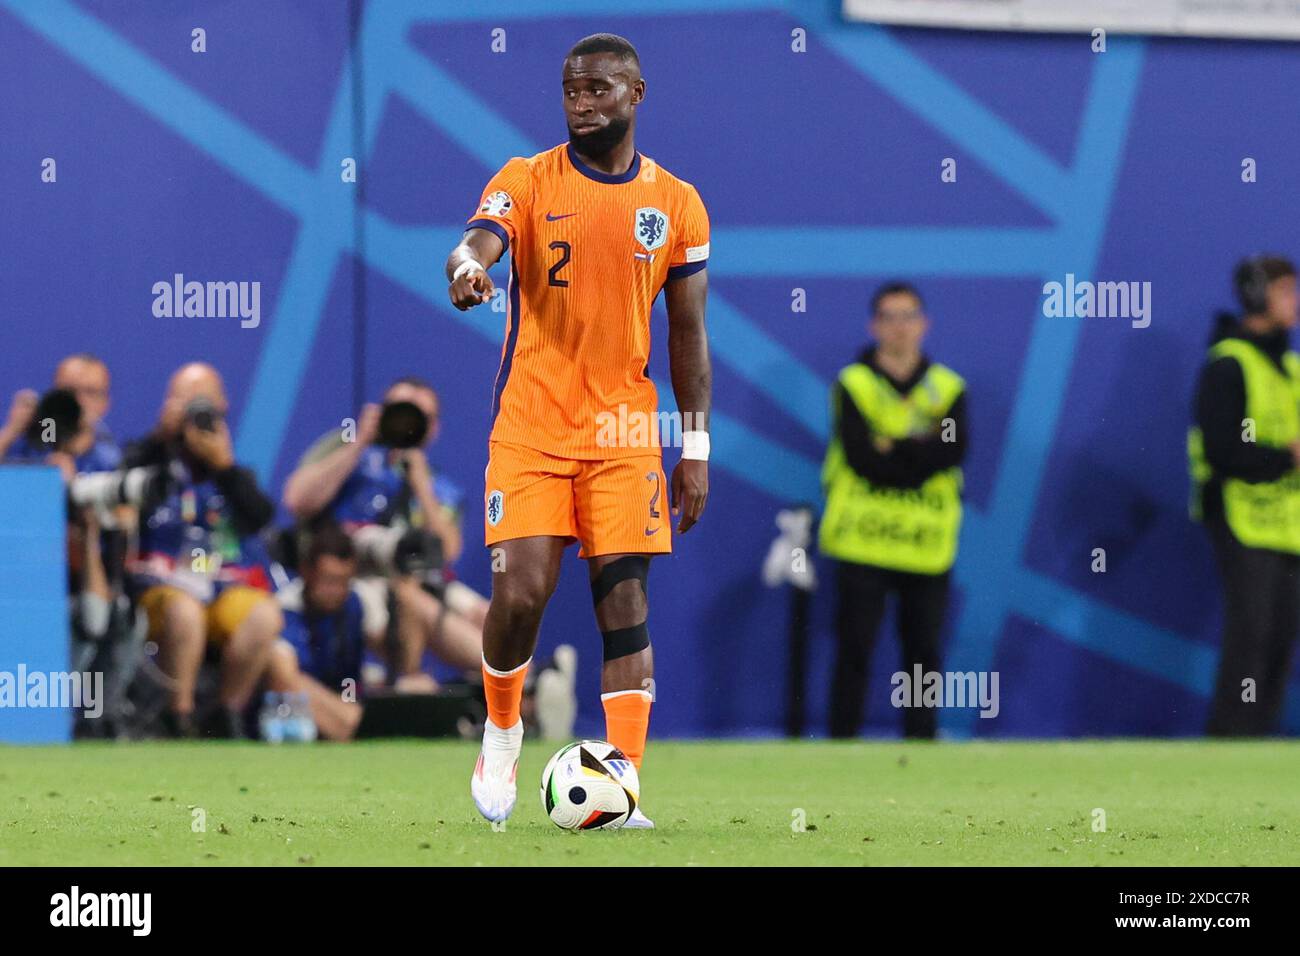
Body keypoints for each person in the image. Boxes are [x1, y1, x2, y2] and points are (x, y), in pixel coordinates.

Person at [444, 32, 712, 827]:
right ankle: (501, 730)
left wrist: (693, 447)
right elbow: (477, 241)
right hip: (531, 424)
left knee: (625, 601)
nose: (582, 103)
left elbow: (688, 336)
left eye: (597, 89)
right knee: (521, 594)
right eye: (570, 90)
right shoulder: (527, 179)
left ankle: (623, 789)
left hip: (626, 430)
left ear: (637, 94)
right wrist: (467, 266)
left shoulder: (676, 204)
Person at [819, 282, 968, 739]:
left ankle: (922, 744)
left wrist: (894, 448)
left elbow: (952, 449)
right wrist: (915, 449)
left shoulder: (948, 387)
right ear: (874, 325)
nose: (899, 327)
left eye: (908, 316)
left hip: (926, 541)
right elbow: (862, 457)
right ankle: (841, 744)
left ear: (924, 324)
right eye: (889, 316)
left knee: (924, 651)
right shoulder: (854, 384)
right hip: (863, 537)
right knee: (855, 646)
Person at [281, 377, 483, 687]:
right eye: (398, 410)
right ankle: (517, 681)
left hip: (420, 579)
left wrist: (420, 484)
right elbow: (297, 500)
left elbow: (447, 553)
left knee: (482, 613)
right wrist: (359, 443)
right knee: (411, 601)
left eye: (419, 416)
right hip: (355, 578)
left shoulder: (437, 485)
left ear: (434, 428)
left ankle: (506, 691)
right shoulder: (346, 448)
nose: (406, 422)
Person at [122, 362, 281, 738]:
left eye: (204, 401)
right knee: (185, 611)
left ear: (223, 405)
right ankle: (179, 716)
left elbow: (261, 517)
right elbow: (119, 483)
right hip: (160, 588)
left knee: (265, 616)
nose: (195, 410)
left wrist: (223, 466)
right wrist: (160, 439)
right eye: (185, 400)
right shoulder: (149, 459)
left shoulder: (231, 472)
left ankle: (225, 713)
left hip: (219, 588)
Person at [1189, 255, 1300, 736]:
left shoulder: (1292, 367)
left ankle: (1255, 744)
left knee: (1279, 638)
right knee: (1250, 636)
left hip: (1289, 524)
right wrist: (1287, 456)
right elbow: (1223, 449)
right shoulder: (1229, 363)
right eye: (1286, 291)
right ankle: (1230, 739)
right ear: (1258, 296)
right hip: (1240, 519)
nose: (1294, 302)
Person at [269, 525, 377, 741]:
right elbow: (284, 678)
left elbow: (385, 642)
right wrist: (353, 719)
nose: (336, 591)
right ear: (306, 571)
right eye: (328, 581)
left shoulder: (356, 601)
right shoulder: (285, 608)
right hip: (295, 721)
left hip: (346, 705)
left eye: (343, 582)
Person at [0, 353, 122, 473]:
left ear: (105, 403)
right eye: (69, 391)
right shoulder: (36, 435)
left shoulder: (110, 460)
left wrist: (71, 485)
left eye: (90, 392)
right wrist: (11, 431)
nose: (79, 401)